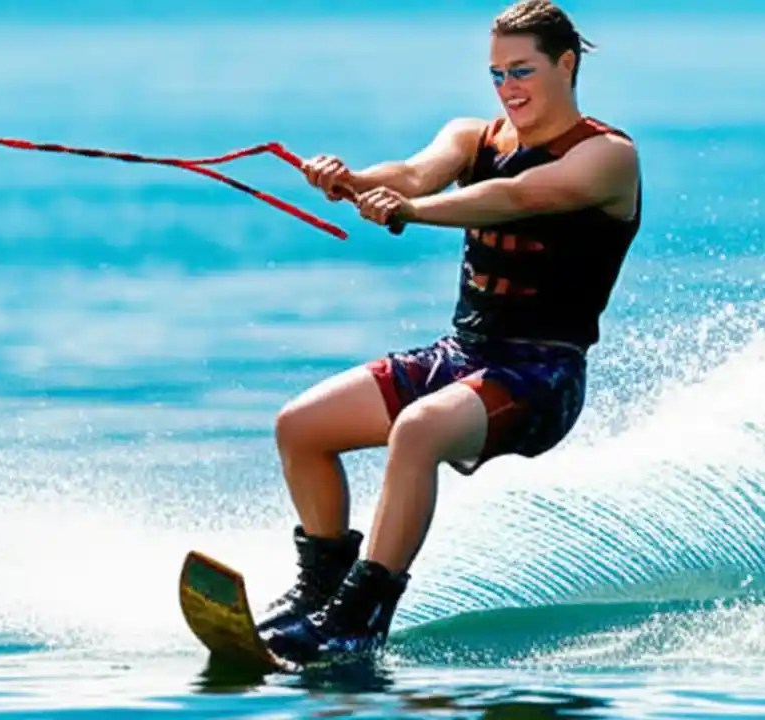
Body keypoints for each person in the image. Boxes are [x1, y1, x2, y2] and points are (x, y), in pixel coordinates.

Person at [257, 0, 642, 663]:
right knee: (300, 427)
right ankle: (319, 589)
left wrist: (412, 211)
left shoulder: (608, 158)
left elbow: (520, 198)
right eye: (496, 75)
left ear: (567, 64)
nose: (507, 89)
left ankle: (359, 616)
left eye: (521, 71)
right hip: (458, 357)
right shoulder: (474, 138)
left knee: (418, 431)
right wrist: (349, 182)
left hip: (541, 376)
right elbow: (409, 176)